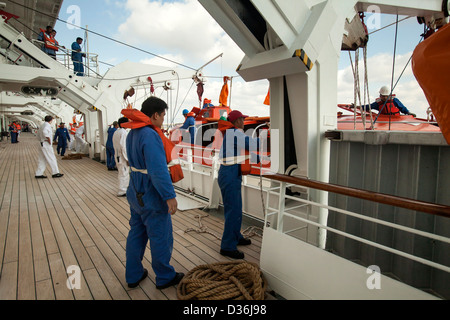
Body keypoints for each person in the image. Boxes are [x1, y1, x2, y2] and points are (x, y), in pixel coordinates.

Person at [124, 96, 184, 290]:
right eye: (163, 115)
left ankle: (133, 275)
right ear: (155, 115)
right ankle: (165, 277)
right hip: (150, 193)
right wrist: (169, 196)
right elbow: (158, 170)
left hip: (135, 190)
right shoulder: (150, 135)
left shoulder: (132, 133)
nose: (163, 120)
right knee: (160, 235)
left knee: (137, 233)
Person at [218, 110, 261, 259]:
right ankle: (227, 246)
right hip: (229, 174)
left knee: (236, 208)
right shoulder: (235, 133)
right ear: (236, 121)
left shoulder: (231, 133)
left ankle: (236, 236)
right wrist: (269, 133)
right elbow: (254, 144)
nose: (244, 122)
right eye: (242, 119)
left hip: (230, 173)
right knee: (233, 211)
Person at [113, 118, 129, 197]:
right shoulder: (123, 132)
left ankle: (122, 188)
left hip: (117, 155)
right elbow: (124, 147)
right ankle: (122, 190)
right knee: (124, 173)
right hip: (122, 156)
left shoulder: (116, 132)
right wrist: (128, 159)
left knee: (121, 172)